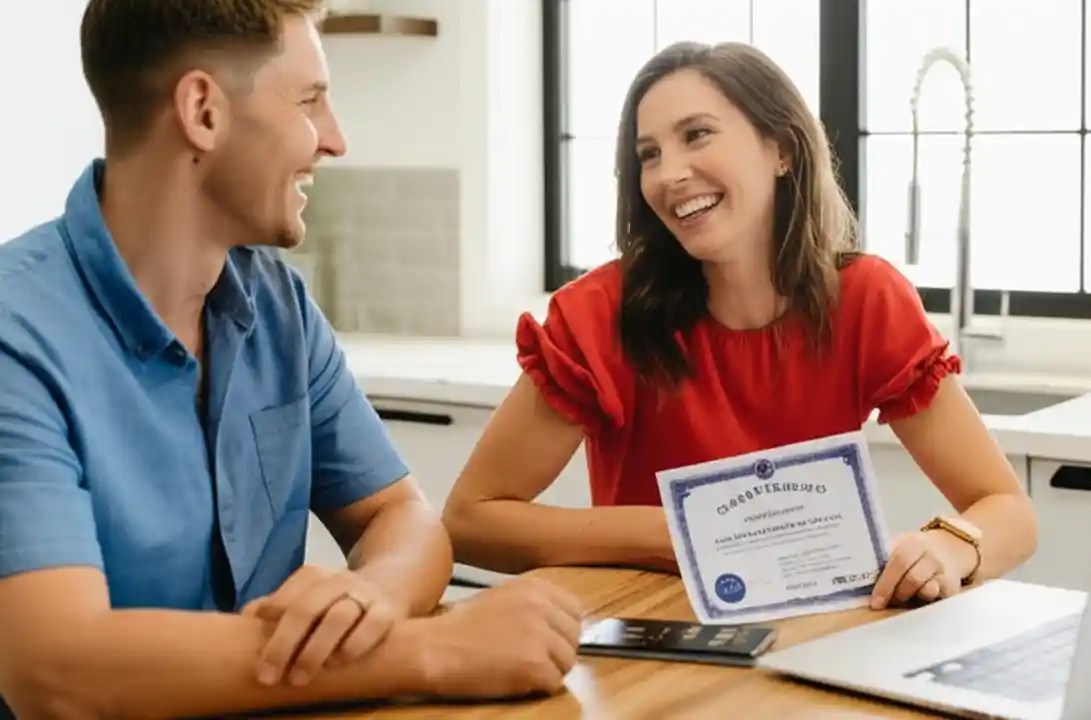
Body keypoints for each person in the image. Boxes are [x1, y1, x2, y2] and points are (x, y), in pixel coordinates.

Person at [0, 1, 581, 717]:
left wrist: (364, 601)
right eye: (310, 102)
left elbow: (400, 516)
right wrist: (429, 651)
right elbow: (57, 670)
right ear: (203, 112)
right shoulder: (15, 333)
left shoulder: (276, 302)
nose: (334, 140)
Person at [443, 41, 1038, 610]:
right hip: (649, 638)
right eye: (648, 154)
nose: (668, 174)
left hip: (815, 626)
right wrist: (678, 534)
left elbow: (1008, 509)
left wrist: (949, 546)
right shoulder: (598, 315)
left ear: (780, 149)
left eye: (696, 135)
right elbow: (471, 519)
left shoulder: (865, 299)